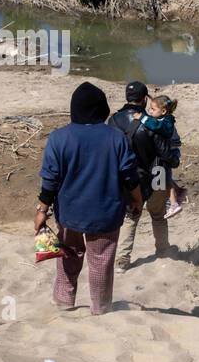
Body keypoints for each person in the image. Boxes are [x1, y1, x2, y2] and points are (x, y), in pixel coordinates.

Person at [35, 82, 141, 315]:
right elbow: (130, 177)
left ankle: (64, 300)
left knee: (68, 254)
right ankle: (100, 307)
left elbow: (50, 180)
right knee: (101, 260)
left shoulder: (58, 138)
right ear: (102, 110)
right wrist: (137, 200)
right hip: (106, 213)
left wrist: (41, 209)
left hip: (69, 212)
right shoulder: (117, 138)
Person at [108, 80, 180, 271]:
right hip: (156, 175)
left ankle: (122, 260)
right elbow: (167, 153)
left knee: (131, 216)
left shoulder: (113, 121)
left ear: (127, 97)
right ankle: (163, 250)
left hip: (128, 177)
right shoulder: (154, 123)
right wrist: (174, 160)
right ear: (144, 99)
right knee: (157, 214)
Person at [142, 95, 187, 218]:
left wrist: (142, 118)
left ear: (163, 111)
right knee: (165, 176)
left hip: (170, 153)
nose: (149, 111)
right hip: (169, 151)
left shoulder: (166, 122)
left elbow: (156, 126)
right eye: (149, 108)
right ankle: (180, 191)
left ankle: (174, 204)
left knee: (166, 179)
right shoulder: (164, 118)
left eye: (152, 109)